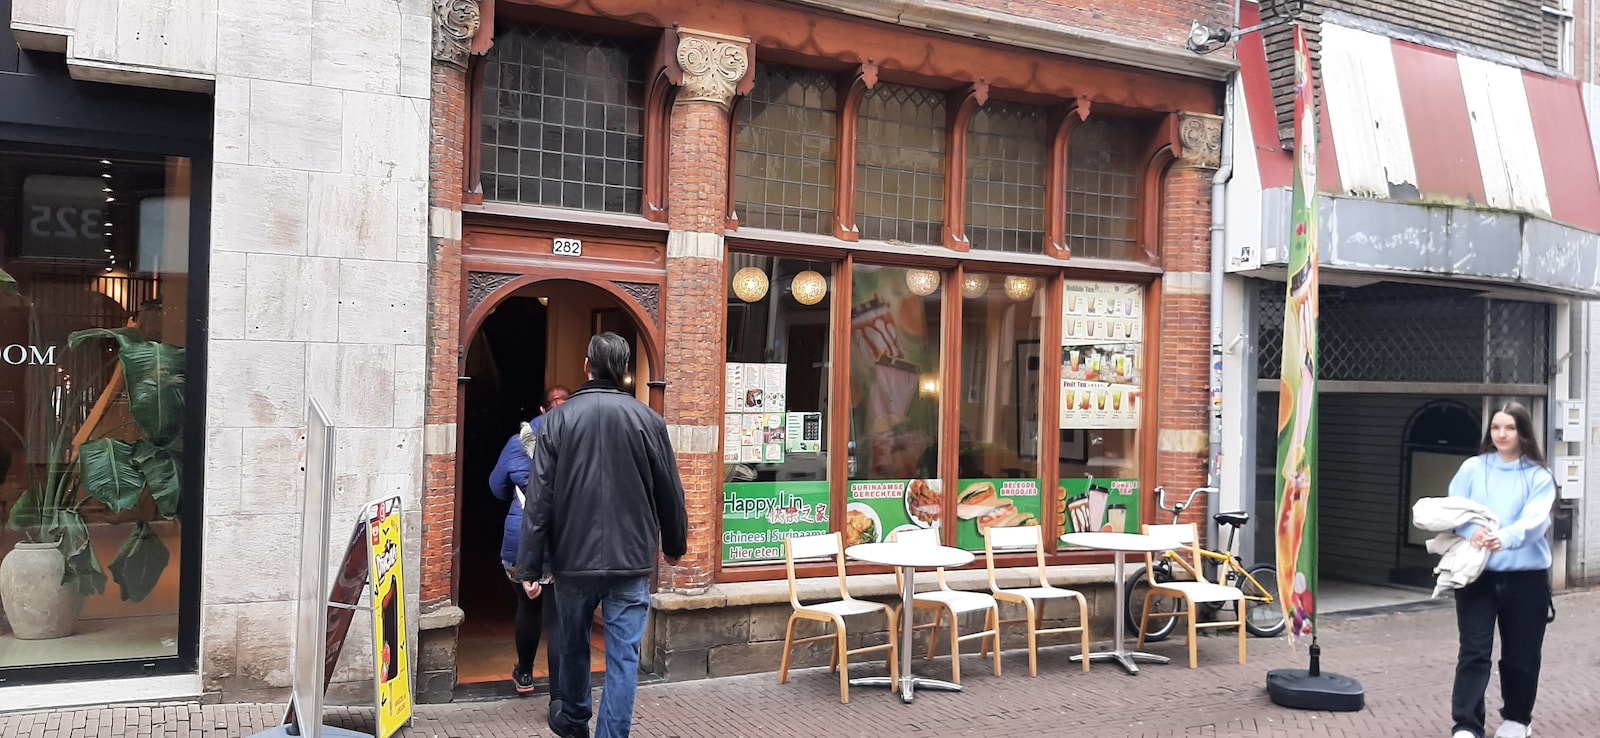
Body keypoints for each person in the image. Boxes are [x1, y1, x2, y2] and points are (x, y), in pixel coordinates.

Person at [518, 333, 688, 738]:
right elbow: (670, 489)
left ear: (586, 366)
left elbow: (540, 497)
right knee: (624, 659)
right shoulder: (649, 420)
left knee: (575, 644)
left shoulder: (557, 420)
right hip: (630, 560)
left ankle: (575, 718)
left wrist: (530, 563)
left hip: (573, 560)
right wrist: (675, 545)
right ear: (626, 372)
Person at [1446, 402, 1556, 738]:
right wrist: (1470, 531)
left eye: (1509, 427)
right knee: (1474, 651)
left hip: (1527, 579)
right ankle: (1466, 724)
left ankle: (1517, 719)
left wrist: (1503, 537)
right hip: (1477, 576)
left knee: (1521, 654)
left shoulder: (1539, 476)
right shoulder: (1472, 468)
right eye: (1496, 428)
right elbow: (1454, 508)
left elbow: (1536, 521)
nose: (1502, 434)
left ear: (1523, 432)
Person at [487, 385, 569, 695]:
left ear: (542, 410)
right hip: (564, 540)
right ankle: (560, 695)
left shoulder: (515, 444)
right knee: (559, 616)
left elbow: (496, 487)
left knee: (528, 607)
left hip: (521, 539)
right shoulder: (576, 440)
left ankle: (524, 674)